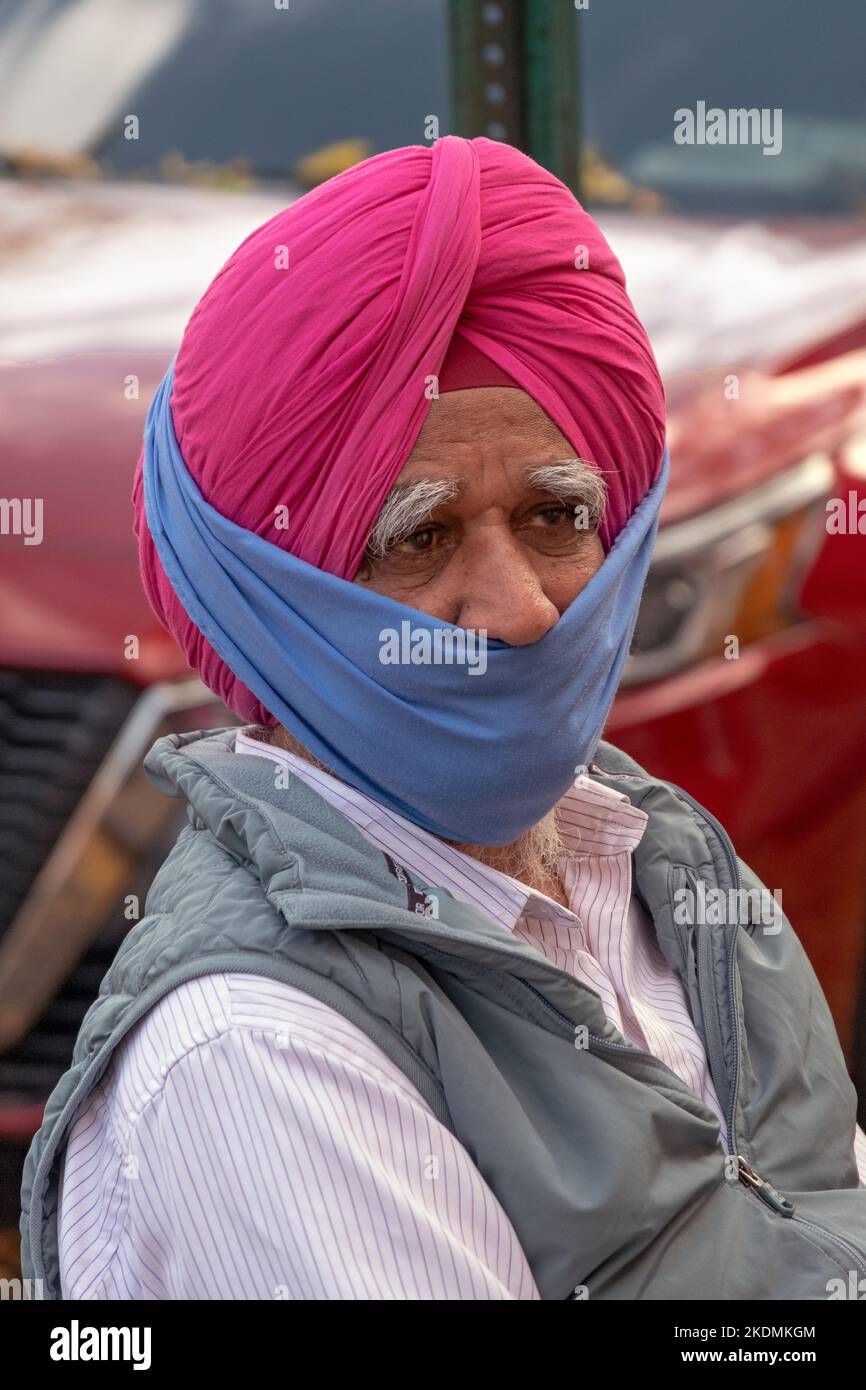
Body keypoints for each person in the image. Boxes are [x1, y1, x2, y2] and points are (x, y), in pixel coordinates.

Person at [21, 136, 866, 1300]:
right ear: (261, 587)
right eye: (417, 539)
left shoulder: (662, 872)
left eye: (554, 518)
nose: (516, 613)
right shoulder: (260, 1055)